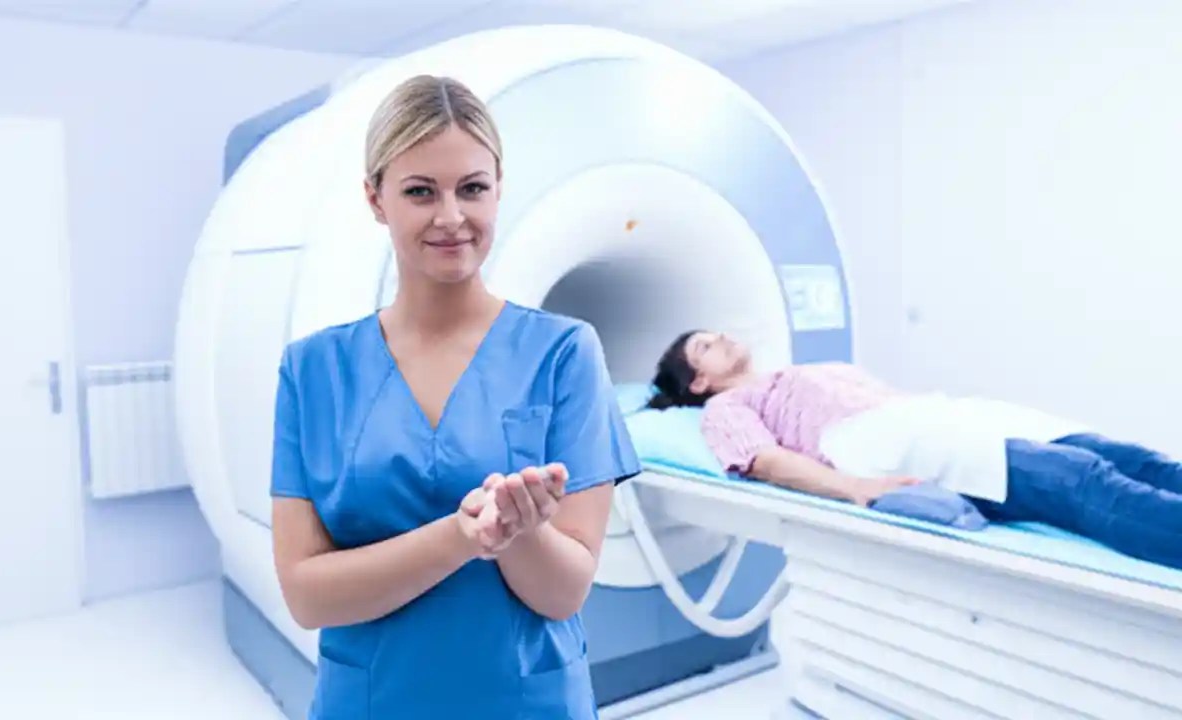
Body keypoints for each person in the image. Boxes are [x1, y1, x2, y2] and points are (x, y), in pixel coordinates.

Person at [267, 75, 642, 720]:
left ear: (498, 189)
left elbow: (564, 592)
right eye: (420, 191)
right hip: (374, 700)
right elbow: (307, 597)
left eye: (472, 188)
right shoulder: (313, 371)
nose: (451, 217)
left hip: (526, 699)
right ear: (376, 199)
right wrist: (464, 535)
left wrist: (521, 532)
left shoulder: (564, 353)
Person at [645, 329, 1182, 571]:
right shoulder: (726, 407)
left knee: (1122, 456)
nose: (721, 339)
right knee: (1081, 478)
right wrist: (855, 488)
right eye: (705, 346)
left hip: (934, 415)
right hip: (886, 443)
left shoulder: (798, 369)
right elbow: (763, 461)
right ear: (696, 382)